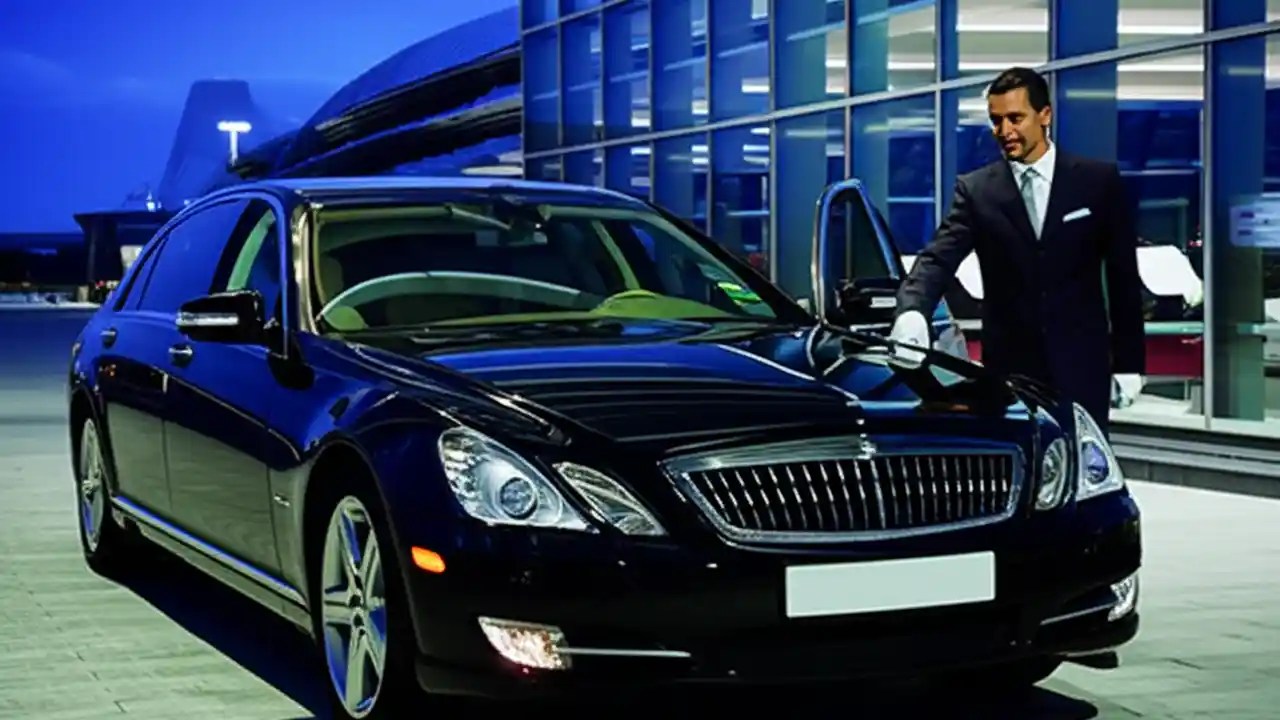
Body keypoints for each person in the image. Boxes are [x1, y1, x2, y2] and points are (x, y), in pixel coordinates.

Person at [889, 66, 1146, 434]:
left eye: (1015, 118)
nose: (1004, 131)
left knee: (1086, 476)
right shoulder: (977, 190)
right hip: (1010, 372)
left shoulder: (1097, 182)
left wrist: (1129, 362)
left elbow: (1123, 278)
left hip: (1082, 367)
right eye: (996, 121)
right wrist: (912, 310)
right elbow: (937, 259)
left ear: (1045, 116)